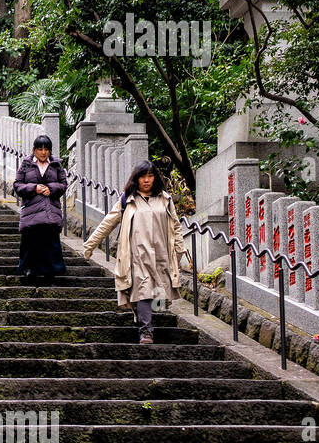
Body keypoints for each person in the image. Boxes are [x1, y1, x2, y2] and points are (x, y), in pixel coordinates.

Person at [84, 160, 188, 345]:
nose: (146, 180)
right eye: (142, 176)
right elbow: (108, 223)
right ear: (136, 179)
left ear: (155, 178)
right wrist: (90, 245)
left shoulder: (165, 199)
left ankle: (144, 317)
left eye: (150, 176)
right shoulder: (128, 200)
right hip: (137, 256)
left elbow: (176, 227)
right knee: (143, 291)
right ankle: (146, 332)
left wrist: (179, 252)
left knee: (158, 296)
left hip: (161, 255)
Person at [13, 134, 68, 283]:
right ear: (34, 150)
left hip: (50, 208)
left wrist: (51, 189)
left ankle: (52, 272)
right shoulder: (26, 164)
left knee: (51, 241)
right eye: (40, 149)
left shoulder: (56, 165)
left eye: (46, 149)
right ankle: (29, 270)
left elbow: (63, 184)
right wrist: (34, 188)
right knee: (30, 240)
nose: (43, 152)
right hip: (32, 209)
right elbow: (17, 185)